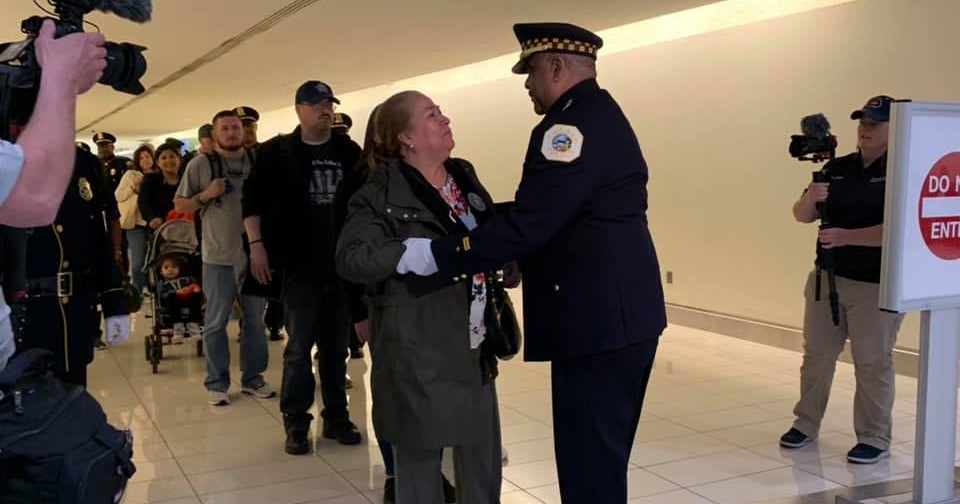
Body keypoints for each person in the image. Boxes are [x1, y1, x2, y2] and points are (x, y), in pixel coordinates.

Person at [396, 23, 666, 504]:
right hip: (619, 317)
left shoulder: (568, 127)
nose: (527, 83)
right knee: (602, 458)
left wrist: (435, 254)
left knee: (589, 464)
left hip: (597, 324)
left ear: (558, 66)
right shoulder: (597, 113)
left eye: (532, 70)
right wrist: (518, 247)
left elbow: (534, 221)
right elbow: (559, 216)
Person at [337, 90, 503, 504]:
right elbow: (352, 259)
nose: (444, 119)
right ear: (405, 137)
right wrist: (418, 253)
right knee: (420, 463)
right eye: (432, 114)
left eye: (442, 112)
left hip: (474, 339)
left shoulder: (462, 175)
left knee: (481, 457)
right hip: (416, 345)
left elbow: (484, 230)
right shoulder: (378, 191)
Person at [780, 95, 905, 464]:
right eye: (862, 122)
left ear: (893, 128)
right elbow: (802, 215)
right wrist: (812, 196)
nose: (865, 129)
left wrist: (848, 236)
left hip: (875, 284)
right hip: (827, 278)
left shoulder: (902, 170)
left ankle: (874, 437)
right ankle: (805, 424)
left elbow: (900, 228)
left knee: (871, 361)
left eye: (875, 123)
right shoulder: (838, 166)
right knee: (816, 356)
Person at [242, 80, 363, 453]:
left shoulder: (347, 150)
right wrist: (256, 246)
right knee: (298, 348)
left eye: (329, 103)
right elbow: (252, 202)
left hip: (341, 267)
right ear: (299, 109)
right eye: (317, 104)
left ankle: (337, 419)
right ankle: (296, 422)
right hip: (299, 267)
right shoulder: (276, 152)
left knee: (335, 349)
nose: (325, 109)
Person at [0, 20, 107, 372]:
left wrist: (112, 297)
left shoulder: (82, 162)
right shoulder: (18, 156)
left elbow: (95, 231)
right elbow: (34, 200)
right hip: (25, 312)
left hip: (68, 310)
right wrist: (60, 77)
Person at [1, 147, 130, 387]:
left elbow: (96, 235)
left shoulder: (82, 161)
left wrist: (114, 302)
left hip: (73, 315)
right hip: (19, 317)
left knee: (72, 406)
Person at [174, 110, 273, 406]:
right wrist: (205, 194)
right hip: (217, 256)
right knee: (216, 322)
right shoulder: (200, 164)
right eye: (225, 128)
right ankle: (217, 382)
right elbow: (180, 204)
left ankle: (253, 378)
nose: (232, 132)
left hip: (254, 255)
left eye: (236, 128)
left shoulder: (258, 163)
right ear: (214, 134)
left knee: (255, 321)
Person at [115, 144, 155, 296]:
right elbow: (118, 196)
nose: (145, 160)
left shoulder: (159, 175)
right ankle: (137, 293)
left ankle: (154, 290)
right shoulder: (131, 175)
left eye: (148, 156)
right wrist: (133, 188)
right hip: (135, 224)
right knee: (138, 262)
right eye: (142, 157)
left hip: (154, 223)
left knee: (155, 260)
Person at [156, 254, 203, 343]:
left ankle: (194, 327)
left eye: (174, 267)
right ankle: (178, 329)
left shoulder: (189, 280)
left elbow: (196, 287)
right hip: (172, 305)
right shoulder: (163, 284)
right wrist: (175, 292)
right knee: (172, 297)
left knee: (196, 296)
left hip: (189, 303)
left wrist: (192, 289)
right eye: (166, 267)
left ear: (180, 269)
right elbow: (162, 295)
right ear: (161, 272)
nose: (170, 269)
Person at [139, 143, 183, 230]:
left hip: (187, 226)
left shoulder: (187, 179)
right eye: (164, 158)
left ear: (179, 159)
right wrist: (151, 218)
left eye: (172, 156)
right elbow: (143, 203)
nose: (168, 161)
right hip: (161, 228)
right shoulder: (150, 180)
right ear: (158, 162)